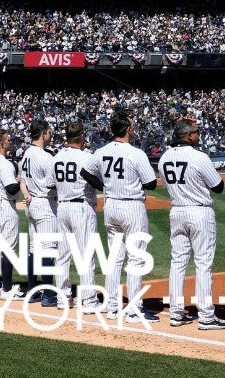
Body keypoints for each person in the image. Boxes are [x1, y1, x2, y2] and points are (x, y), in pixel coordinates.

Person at [160, 117, 225, 330]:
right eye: (196, 132)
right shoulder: (199, 156)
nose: (199, 135)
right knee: (203, 263)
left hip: (177, 210)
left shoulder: (164, 157)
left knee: (177, 262)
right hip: (198, 211)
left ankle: (176, 313)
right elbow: (218, 186)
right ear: (188, 136)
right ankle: (207, 316)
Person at [91, 109, 159, 322]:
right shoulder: (136, 153)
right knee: (136, 258)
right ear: (128, 129)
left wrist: (106, 186)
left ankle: (112, 306)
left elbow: (86, 173)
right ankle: (134, 309)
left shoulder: (101, 151)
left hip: (111, 206)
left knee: (115, 258)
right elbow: (150, 183)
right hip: (131, 207)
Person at [50, 121, 101, 312]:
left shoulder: (56, 157)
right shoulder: (87, 157)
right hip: (81, 207)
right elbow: (99, 182)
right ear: (81, 137)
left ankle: (63, 298)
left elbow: (50, 185)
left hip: (62, 207)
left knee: (63, 255)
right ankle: (89, 301)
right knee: (86, 254)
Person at [20, 119, 59, 307]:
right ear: (42, 133)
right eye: (49, 132)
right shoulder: (44, 156)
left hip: (32, 203)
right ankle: (49, 294)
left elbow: (23, 180)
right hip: (45, 204)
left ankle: (32, 290)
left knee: (34, 249)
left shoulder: (27, 153)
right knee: (47, 249)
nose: (50, 135)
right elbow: (54, 183)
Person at [0, 129, 24, 300]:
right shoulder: (5, 163)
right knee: (7, 249)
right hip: (6, 206)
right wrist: (20, 180)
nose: (11, 141)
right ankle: (7, 290)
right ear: (1, 143)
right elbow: (11, 188)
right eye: (8, 139)